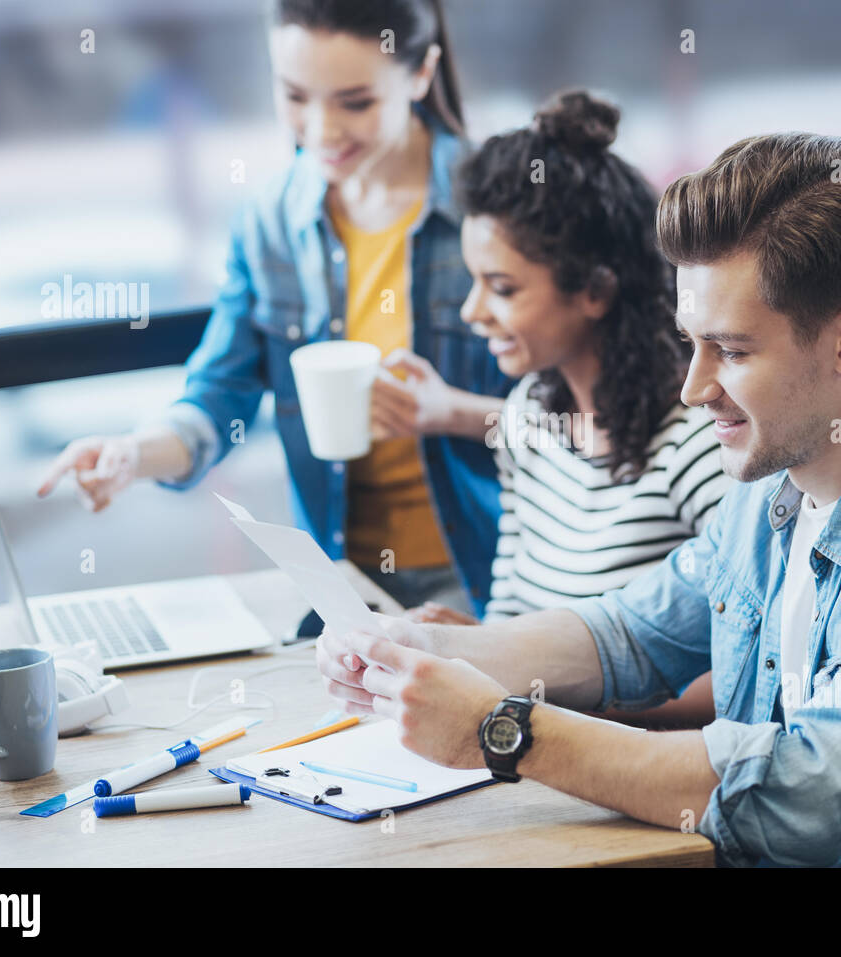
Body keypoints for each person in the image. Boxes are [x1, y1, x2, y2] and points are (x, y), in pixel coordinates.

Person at [317, 131, 841, 866]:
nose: (694, 385)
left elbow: (815, 795)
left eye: (732, 350)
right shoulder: (776, 470)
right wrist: (416, 652)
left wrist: (506, 731)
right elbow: (629, 634)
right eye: (691, 342)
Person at [36, 0, 511, 619]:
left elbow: (578, 426)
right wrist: (134, 454)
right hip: (341, 590)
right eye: (294, 96)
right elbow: (218, 394)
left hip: (488, 581)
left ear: (422, 75)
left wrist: (450, 413)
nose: (319, 130)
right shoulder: (271, 222)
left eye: (355, 102)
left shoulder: (498, 208)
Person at [404, 90, 731, 728]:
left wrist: (552, 697)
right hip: (539, 745)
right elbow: (512, 613)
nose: (474, 312)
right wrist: (469, 647)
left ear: (595, 290)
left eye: (502, 288)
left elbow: (744, 678)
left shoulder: (698, 443)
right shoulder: (529, 414)